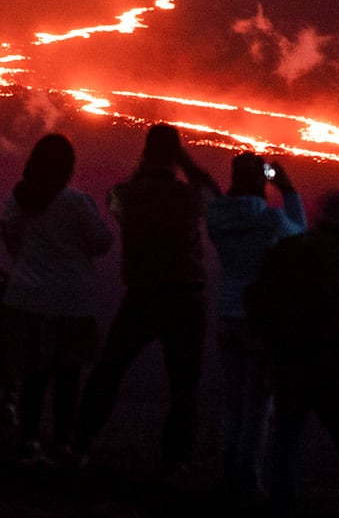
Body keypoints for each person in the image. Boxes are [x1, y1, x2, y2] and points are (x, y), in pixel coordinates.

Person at [71, 123, 221, 473]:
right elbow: (214, 197)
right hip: (186, 296)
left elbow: (117, 204)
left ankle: (79, 440)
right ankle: (175, 458)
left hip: (142, 295)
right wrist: (190, 165)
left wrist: (144, 171)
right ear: (176, 155)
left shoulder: (125, 193)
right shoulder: (188, 196)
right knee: (184, 385)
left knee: (110, 369)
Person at [247, 189, 339, 518]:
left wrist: (264, 352)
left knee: (286, 441)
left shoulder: (286, 249)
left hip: (287, 362)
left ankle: (281, 507)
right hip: (326, 368)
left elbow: (257, 301)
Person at [0, 133, 113, 465]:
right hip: (70, 301)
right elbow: (101, 242)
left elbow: (9, 235)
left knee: (33, 374)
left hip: (26, 298)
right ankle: (63, 443)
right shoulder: (76, 201)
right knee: (67, 377)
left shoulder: (20, 198)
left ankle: (29, 442)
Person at [205, 152, 306, 497]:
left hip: (226, 316)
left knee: (233, 405)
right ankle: (247, 484)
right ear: (261, 180)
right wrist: (288, 190)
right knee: (258, 407)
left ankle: (227, 475)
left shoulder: (215, 216)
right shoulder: (272, 220)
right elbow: (301, 238)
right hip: (259, 324)